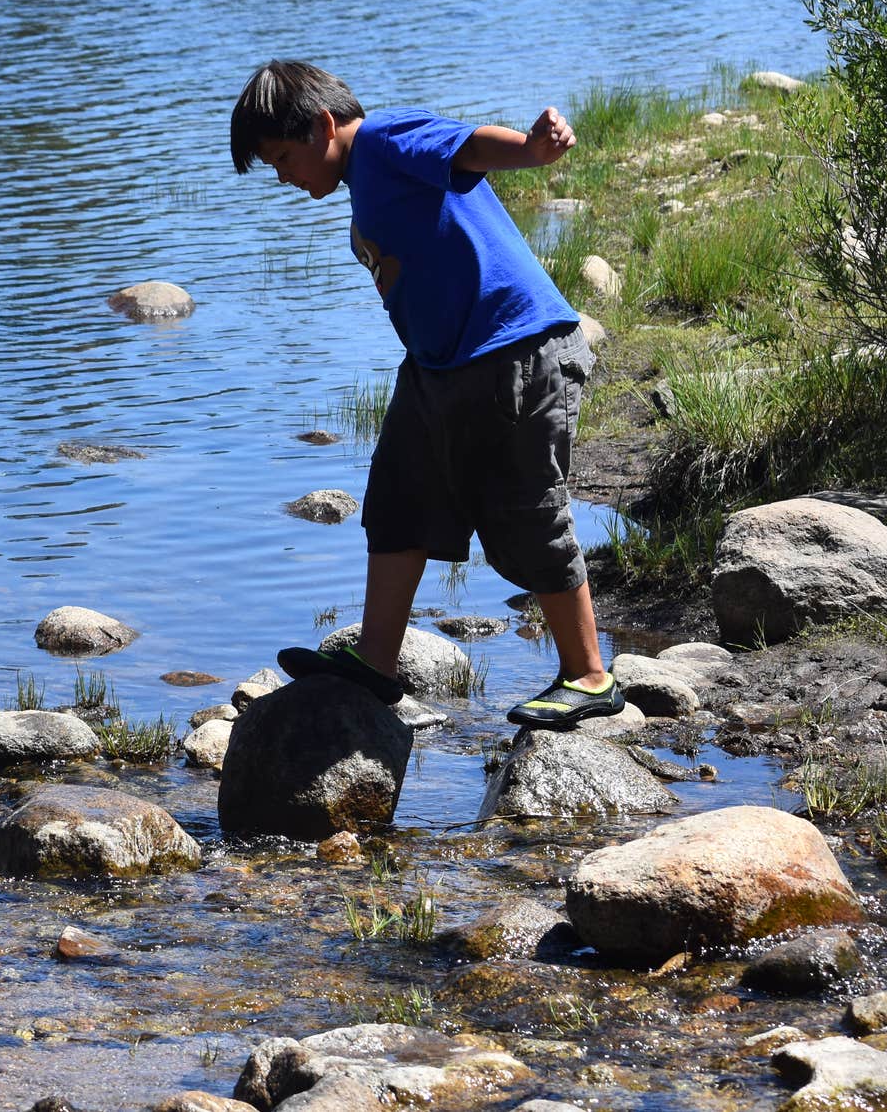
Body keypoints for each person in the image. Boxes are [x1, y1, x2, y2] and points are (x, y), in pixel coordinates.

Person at [229, 60, 623, 729]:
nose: (283, 177)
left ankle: (588, 674)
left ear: (325, 126)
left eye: (283, 157)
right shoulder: (364, 178)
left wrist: (530, 151)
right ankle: (376, 663)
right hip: (439, 368)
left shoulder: (382, 139)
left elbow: (464, 145)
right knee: (399, 499)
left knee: (527, 508)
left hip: (513, 350)